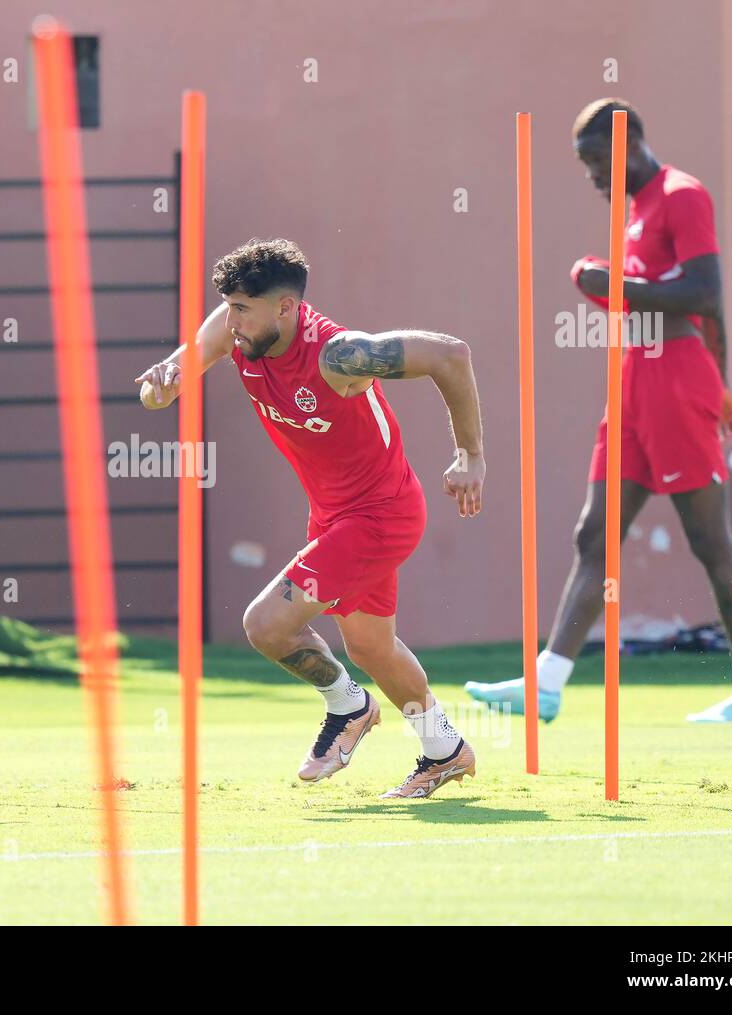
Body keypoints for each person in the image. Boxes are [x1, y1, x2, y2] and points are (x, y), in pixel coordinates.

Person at [136, 238, 486, 798]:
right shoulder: (235, 330)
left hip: (381, 517)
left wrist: (469, 455)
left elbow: (451, 354)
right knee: (371, 648)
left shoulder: (339, 356)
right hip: (332, 515)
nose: (232, 321)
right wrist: (163, 385)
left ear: (285, 307)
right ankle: (445, 749)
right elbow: (181, 369)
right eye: (228, 307)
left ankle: (349, 707)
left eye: (243, 309)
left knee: (266, 624)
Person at [465, 98, 732, 725]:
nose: (592, 176)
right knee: (594, 534)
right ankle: (547, 684)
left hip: (676, 375)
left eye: (596, 161)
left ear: (628, 141)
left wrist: (617, 288)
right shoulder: (636, 210)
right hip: (633, 378)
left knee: (709, 537)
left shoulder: (682, 194)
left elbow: (706, 293)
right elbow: (657, 297)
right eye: (584, 165)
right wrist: (615, 285)